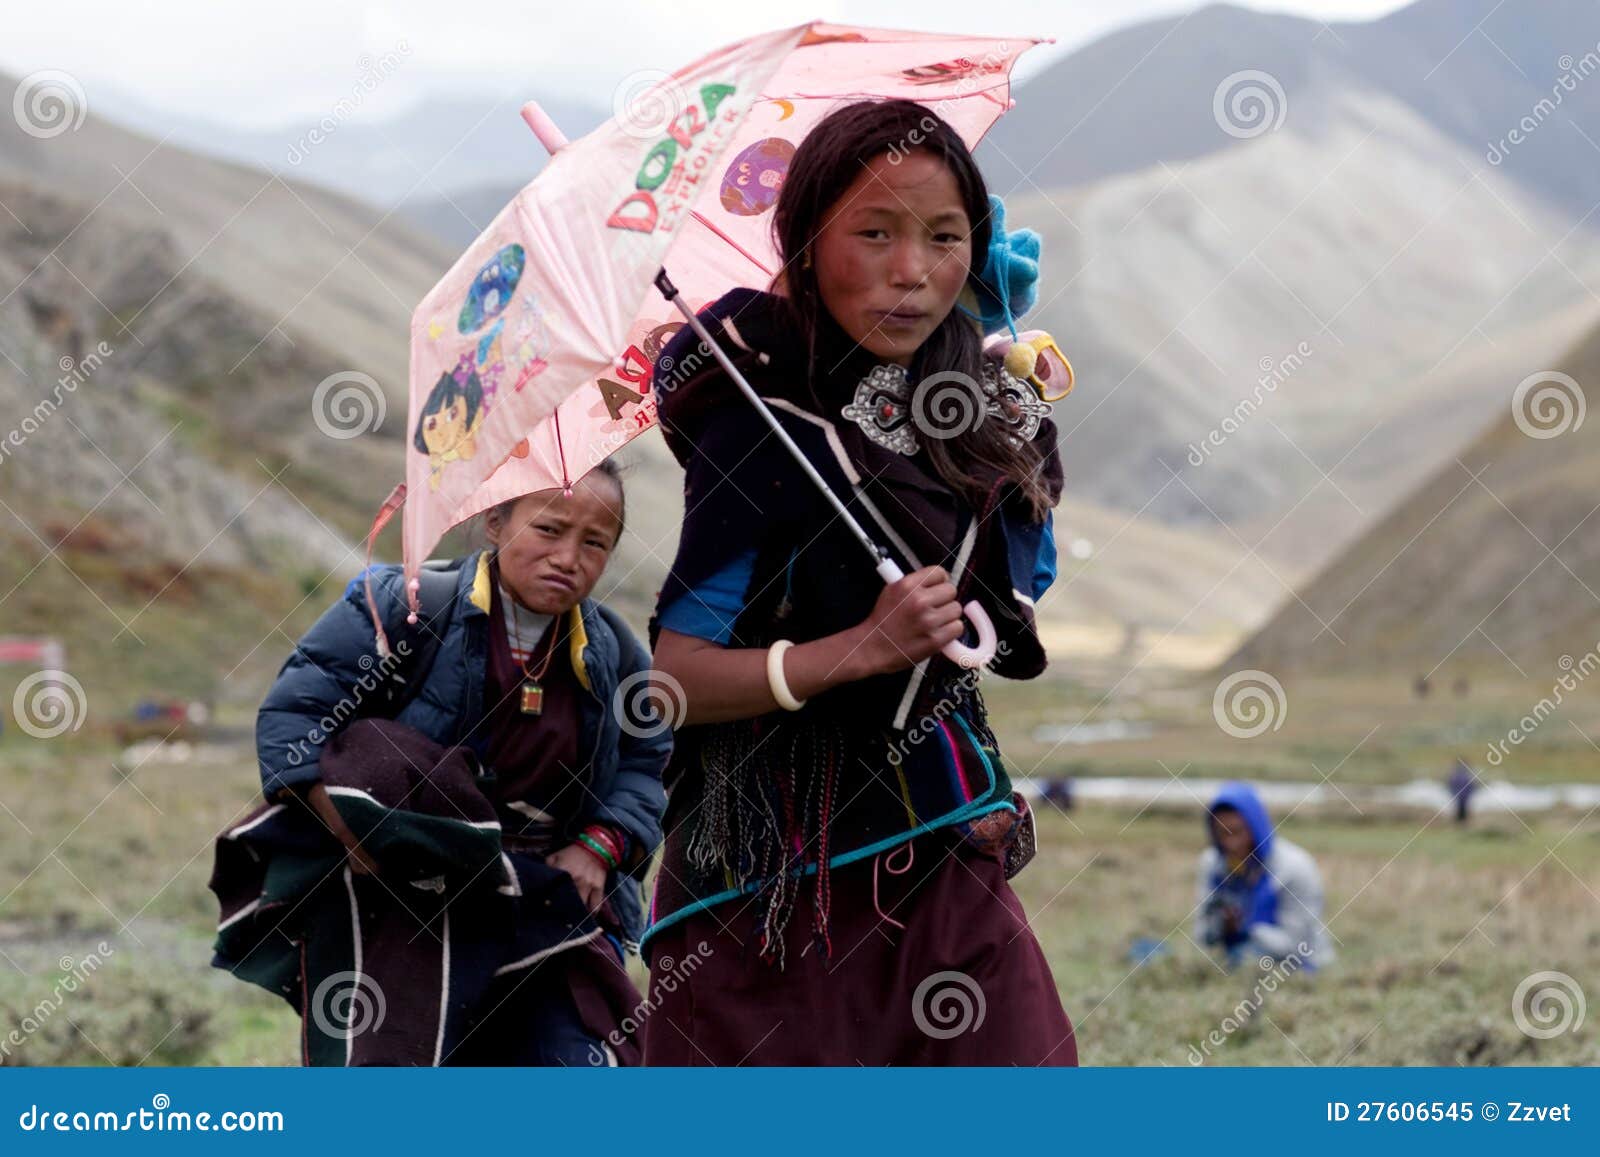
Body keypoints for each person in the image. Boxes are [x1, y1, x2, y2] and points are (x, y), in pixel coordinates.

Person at [640, 99, 1075, 1065]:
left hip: (947, 859)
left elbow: (993, 630)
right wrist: (858, 649)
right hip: (770, 894)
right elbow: (675, 676)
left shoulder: (971, 415)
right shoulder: (753, 417)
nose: (912, 271)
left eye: (945, 237)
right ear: (803, 241)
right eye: (873, 233)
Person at [219, 460, 669, 1065]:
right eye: (549, 530)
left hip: (542, 898)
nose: (569, 557)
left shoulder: (613, 653)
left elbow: (647, 762)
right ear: (494, 521)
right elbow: (293, 719)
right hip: (406, 893)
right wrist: (347, 822)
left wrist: (602, 845)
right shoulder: (402, 607)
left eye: (595, 543)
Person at [1195, 782, 1334, 970]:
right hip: (1235, 962)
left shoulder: (1295, 867)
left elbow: (1296, 943)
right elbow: (1202, 935)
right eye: (1221, 833)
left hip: (1299, 966)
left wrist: (1246, 928)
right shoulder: (1213, 865)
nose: (1231, 843)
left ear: (1256, 826)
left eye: (1237, 832)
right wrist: (1221, 926)